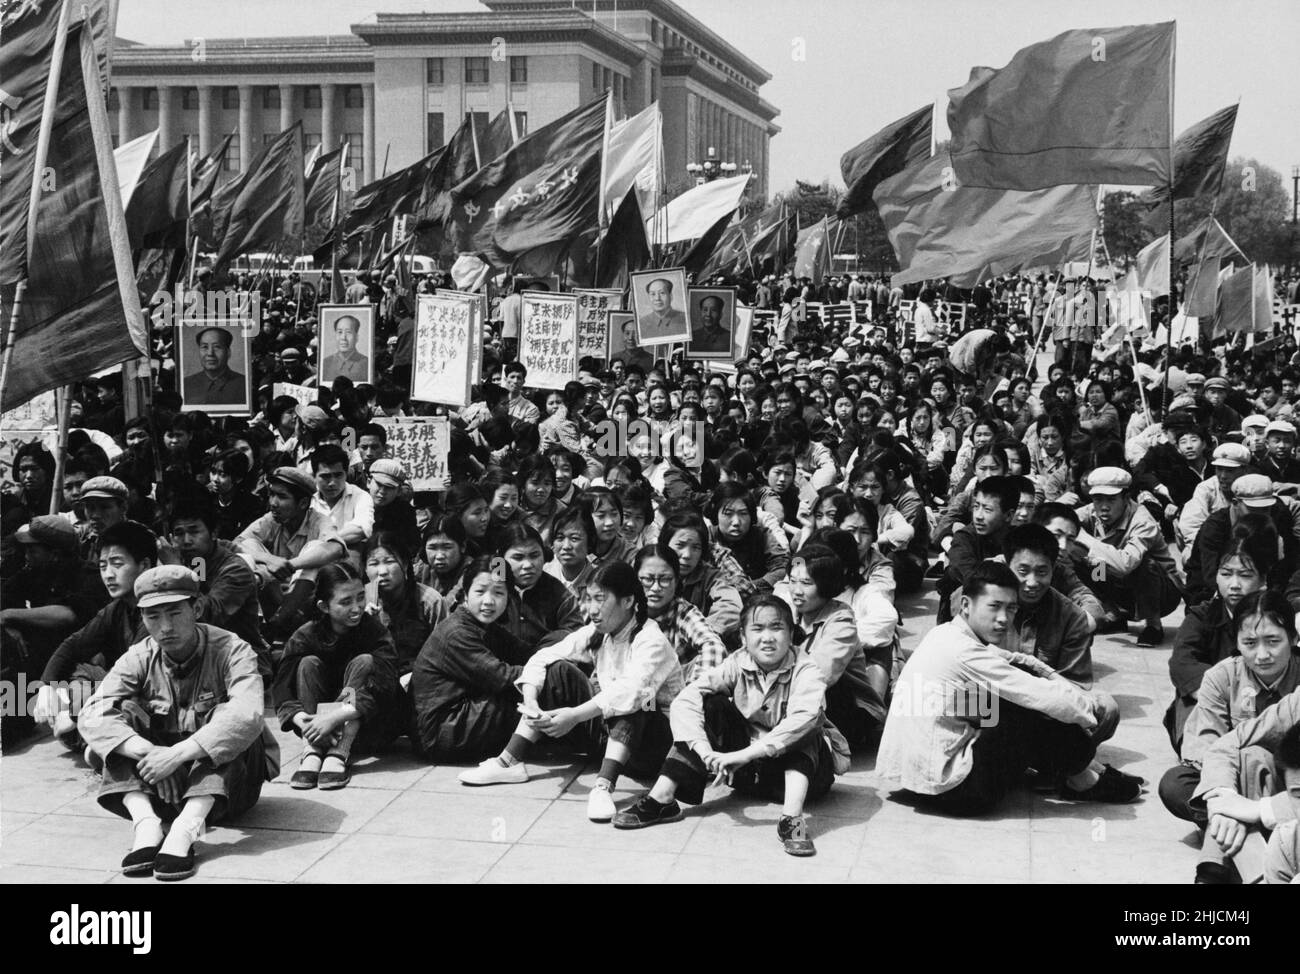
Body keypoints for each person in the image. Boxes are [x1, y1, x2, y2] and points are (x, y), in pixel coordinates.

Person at [878, 562, 1142, 815]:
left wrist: (1049, 674)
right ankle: (1083, 778)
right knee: (1024, 706)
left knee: (1006, 694)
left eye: (1012, 609)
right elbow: (1041, 696)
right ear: (966, 605)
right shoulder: (964, 652)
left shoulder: (945, 634)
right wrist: (1089, 708)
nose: (1004, 619)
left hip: (915, 779)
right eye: (994, 607)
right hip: (958, 791)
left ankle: (1084, 768)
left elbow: (1011, 659)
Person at [78, 565, 279, 881]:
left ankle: (184, 832)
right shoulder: (140, 655)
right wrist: (150, 755)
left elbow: (247, 714)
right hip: (161, 786)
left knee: (231, 718)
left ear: (197, 608)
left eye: (174, 613)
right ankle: (146, 826)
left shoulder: (232, 649)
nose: (165, 627)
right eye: (153, 617)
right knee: (121, 714)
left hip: (228, 790)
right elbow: (93, 713)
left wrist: (176, 755)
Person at [612, 595, 842, 856]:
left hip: (803, 777)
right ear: (743, 637)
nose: (767, 637)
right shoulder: (738, 661)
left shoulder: (807, 668)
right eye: (757, 629)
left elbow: (805, 719)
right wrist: (704, 751)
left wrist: (741, 755)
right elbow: (686, 699)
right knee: (710, 703)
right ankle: (662, 798)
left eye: (776, 628)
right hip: (747, 773)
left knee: (805, 731)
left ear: (791, 634)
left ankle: (792, 821)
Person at [457, 561, 684, 825]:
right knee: (557, 671)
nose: (593, 609)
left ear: (628, 601)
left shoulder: (650, 639)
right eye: (589, 599)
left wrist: (574, 716)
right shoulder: (599, 632)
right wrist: (531, 700)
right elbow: (544, 656)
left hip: (655, 744)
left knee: (640, 702)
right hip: (611, 736)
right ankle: (509, 761)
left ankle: (603, 786)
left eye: (601, 599)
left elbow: (630, 692)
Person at [1160, 590, 1300, 883]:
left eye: (1273, 641)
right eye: (1249, 643)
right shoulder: (1221, 676)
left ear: (1294, 638)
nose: (1262, 655)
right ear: (1236, 642)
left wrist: (1243, 808)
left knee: (1255, 758)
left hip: (1291, 785)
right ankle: (1240, 828)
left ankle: (1217, 860)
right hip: (1231, 776)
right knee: (1176, 784)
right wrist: (1223, 799)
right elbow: (1212, 746)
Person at [274, 563, 403, 790]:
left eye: (360, 597)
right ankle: (312, 750)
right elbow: (282, 687)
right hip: (317, 728)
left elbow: (385, 688)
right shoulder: (305, 635)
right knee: (307, 664)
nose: (357, 607)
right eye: (345, 602)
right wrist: (305, 721)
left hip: (368, 725)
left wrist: (335, 718)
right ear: (324, 606)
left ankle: (339, 752)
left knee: (364, 662)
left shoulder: (375, 632)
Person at [1075, 466, 1184, 646]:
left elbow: (1126, 564)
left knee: (1145, 564)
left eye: (1111, 499)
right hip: (1117, 584)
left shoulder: (1142, 520)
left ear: (1126, 498)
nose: (1103, 506)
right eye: (1097, 499)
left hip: (1162, 592)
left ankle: (1153, 625)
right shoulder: (1090, 511)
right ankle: (1112, 613)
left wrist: (1085, 538)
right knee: (1079, 557)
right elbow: (1060, 521)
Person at [183, 326, 247, 406]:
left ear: (228, 352)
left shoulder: (244, 385)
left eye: (217, 347)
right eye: (205, 347)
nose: (210, 353)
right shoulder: (185, 385)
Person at [319, 313, 371, 383]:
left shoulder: (366, 363)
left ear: (357, 337)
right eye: (340, 332)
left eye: (348, 332)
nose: (343, 337)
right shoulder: (325, 362)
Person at [637, 277, 688, 343]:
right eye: (653, 294)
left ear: (671, 296)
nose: (657, 298)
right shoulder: (641, 323)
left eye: (662, 293)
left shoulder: (686, 319)